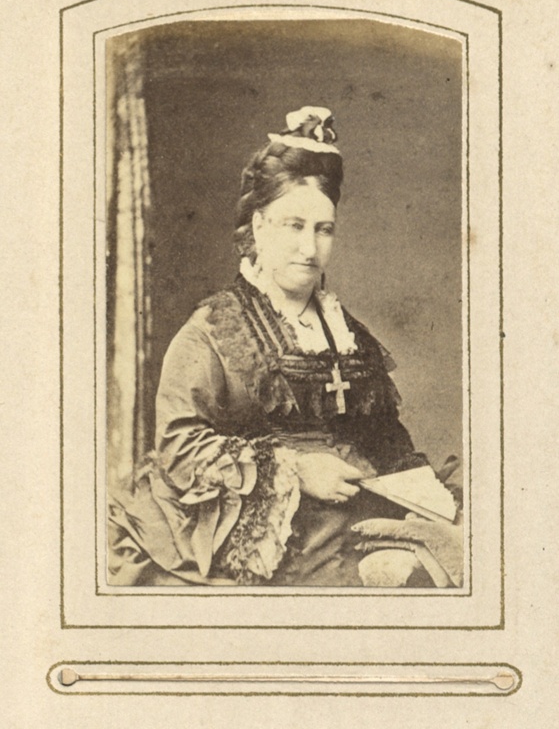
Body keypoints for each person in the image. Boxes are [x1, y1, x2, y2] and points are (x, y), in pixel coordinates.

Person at [108, 106, 462, 587]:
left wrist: (418, 487)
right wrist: (295, 469)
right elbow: (179, 447)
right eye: (293, 225)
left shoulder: (345, 331)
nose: (309, 249)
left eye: (324, 229)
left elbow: (384, 434)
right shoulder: (213, 329)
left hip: (353, 508)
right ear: (258, 227)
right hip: (259, 520)